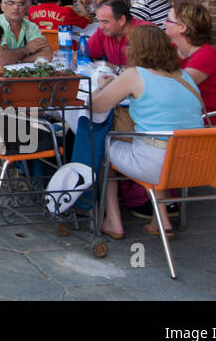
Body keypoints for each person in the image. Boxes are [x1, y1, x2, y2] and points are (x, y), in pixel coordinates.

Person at [87, 25, 205, 238]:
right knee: (160, 143)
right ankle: (162, 220)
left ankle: (113, 221)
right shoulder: (185, 76)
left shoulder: (134, 75)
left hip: (157, 164)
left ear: (137, 50)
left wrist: (101, 86)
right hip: (196, 164)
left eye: (129, 45)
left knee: (103, 146)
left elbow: (95, 106)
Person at [164, 3, 216, 148]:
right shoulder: (175, 49)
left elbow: (176, 88)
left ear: (183, 28)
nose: (164, 23)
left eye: (168, 20)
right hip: (192, 120)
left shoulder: (207, 55)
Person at [0, 0, 51, 66]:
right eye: (11, 3)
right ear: (2, 7)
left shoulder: (31, 27)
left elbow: (47, 54)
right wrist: (27, 49)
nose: (16, 7)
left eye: (20, 4)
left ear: (26, 8)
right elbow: (0, 58)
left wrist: (19, 60)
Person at [85, 0, 150, 67]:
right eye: (99, 21)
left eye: (105, 21)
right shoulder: (104, 31)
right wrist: (77, 55)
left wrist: (116, 68)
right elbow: (84, 53)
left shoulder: (147, 33)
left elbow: (154, 71)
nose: (101, 26)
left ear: (122, 20)